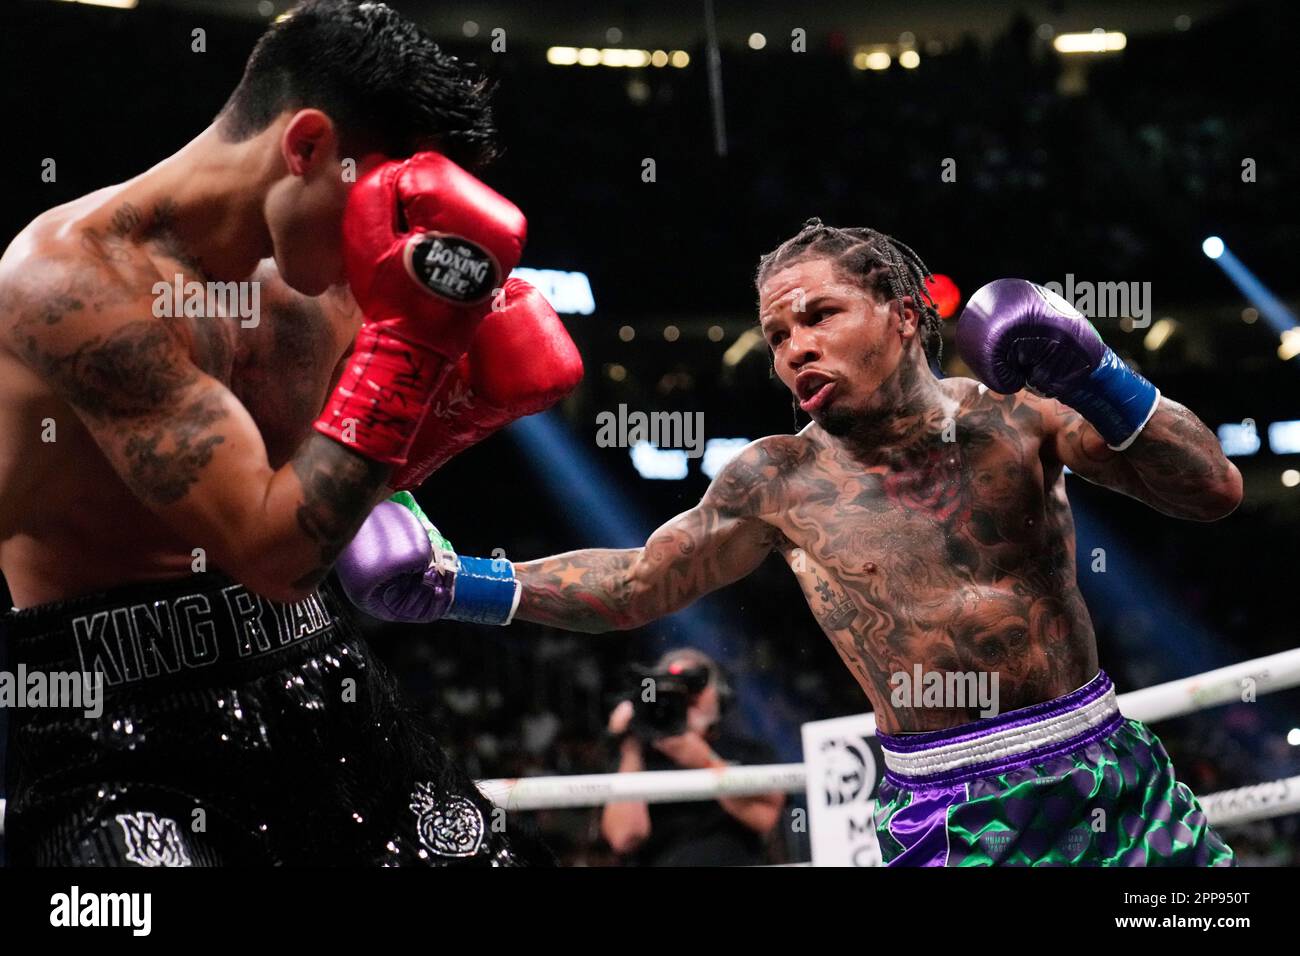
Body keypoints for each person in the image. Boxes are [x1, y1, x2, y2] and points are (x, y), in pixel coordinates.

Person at [343, 218, 1241, 866]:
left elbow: (1211, 490)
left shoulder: (1020, 416)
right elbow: (636, 583)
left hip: (1109, 772)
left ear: (900, 311)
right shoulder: (774, 479)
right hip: (949, 810)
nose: (794, 348)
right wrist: (459, 582)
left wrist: (1099, 376)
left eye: (819, 316)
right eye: (777, 335)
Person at [0, 0, 580, 866]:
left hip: (314, 666)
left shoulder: (322, 278)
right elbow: (270, 556)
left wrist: (462, 412)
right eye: (379, 201)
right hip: (114, 714)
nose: (389, 244)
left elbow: (333, 484)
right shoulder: (72, 285)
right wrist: (416, 340)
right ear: (306, 147)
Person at [600, 649, 783, 867]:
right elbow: (624, 838)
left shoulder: (746, 751)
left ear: (720, 695)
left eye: (696, 684)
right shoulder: (638, 756)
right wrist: (631, 745)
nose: (686, 695)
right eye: (674, 686)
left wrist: (706, 762)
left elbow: (765, 818)